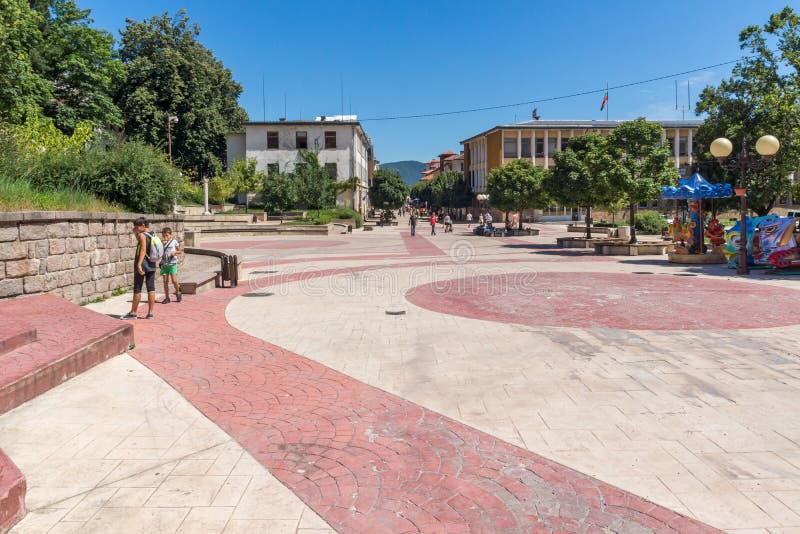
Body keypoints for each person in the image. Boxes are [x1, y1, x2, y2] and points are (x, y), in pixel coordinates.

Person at [121, 217, 158, 319]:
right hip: (151, 264)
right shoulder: (153, 233)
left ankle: (133, 313)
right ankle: (150, 313)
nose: (136, 229)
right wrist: (135, 233)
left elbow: (143, 249)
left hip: (142, 265)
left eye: (137, 227)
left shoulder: (142, 235)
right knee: (151, 288)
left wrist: (139, 264)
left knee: (137, 288)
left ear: (143, 226)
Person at [160, 227, 182, 303]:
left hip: (172, 264)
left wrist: (175, 252)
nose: (165, 237)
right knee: (165, 281)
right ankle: (167, 297)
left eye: (166, 235)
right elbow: (158, 253)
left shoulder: (174, 241)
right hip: (164, 264)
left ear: (170, 235)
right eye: (163, 236)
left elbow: (180, 251)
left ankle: (178, 292)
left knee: (174, 281)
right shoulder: (161, 242)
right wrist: (161, 245)